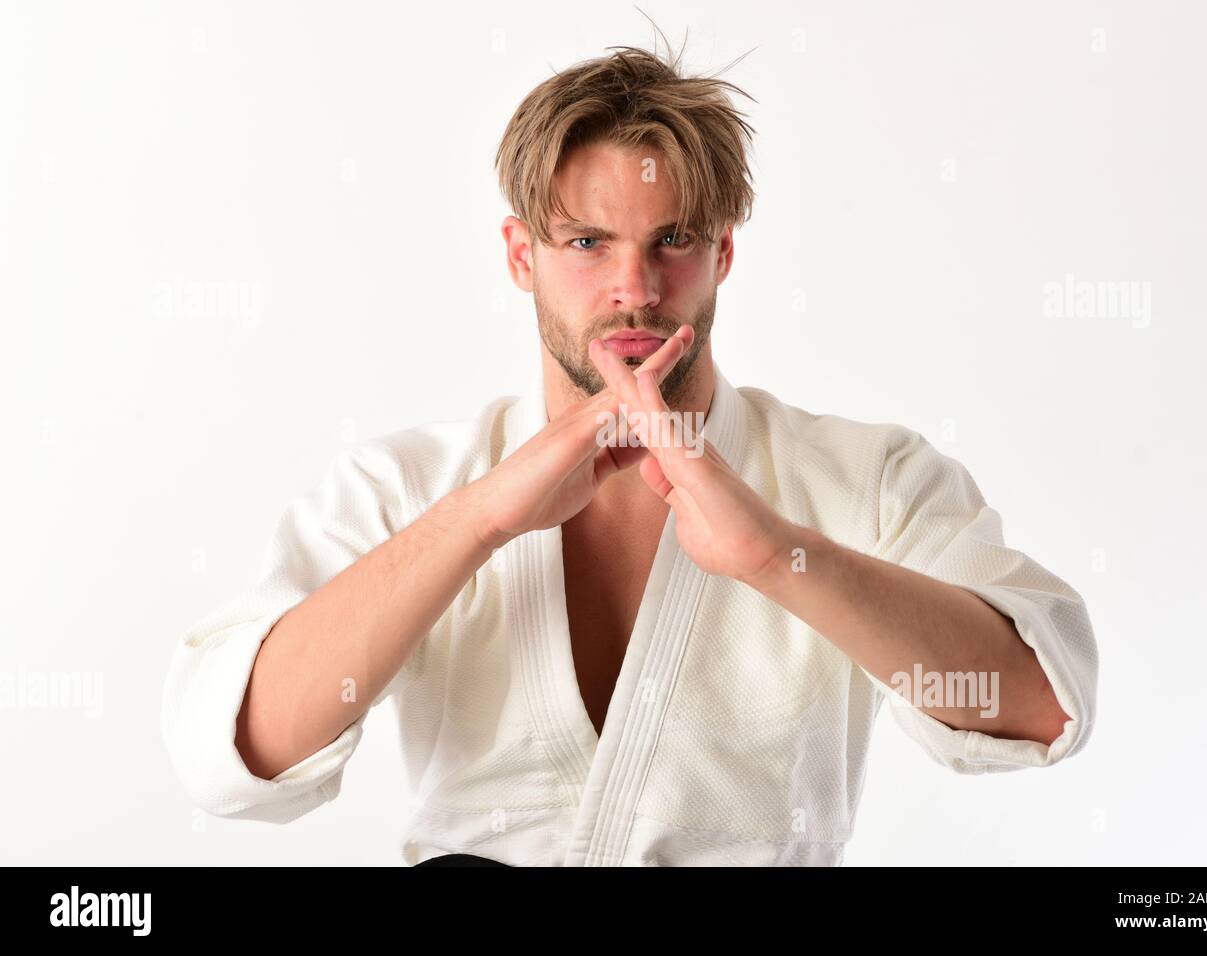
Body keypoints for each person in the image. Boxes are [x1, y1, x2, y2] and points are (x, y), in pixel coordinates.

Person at [160, 35, 1098, 867]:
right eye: (586, 241)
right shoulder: (403, 485)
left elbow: (1042, 703)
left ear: (724, 250)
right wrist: (482, 519)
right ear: (521, 256)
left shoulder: (864, 475)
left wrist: (777, 555)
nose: (635, 288)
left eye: (674, 239)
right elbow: (236, 753)